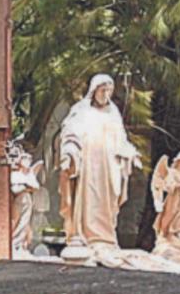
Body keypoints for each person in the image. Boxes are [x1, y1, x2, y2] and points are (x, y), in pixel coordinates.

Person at [57, 74, 140, 257]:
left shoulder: (113, 113)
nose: (106, 94)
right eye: (103, 90)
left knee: (108, 200)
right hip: (89, 166)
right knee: (89, 198)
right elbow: (70, 134)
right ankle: (84, 234)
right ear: (94, 90)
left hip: (110, 166)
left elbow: (121, 139)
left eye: (109, 90)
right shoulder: (81, 110)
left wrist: (130, 154)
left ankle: (106, 238)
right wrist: (69, 154)